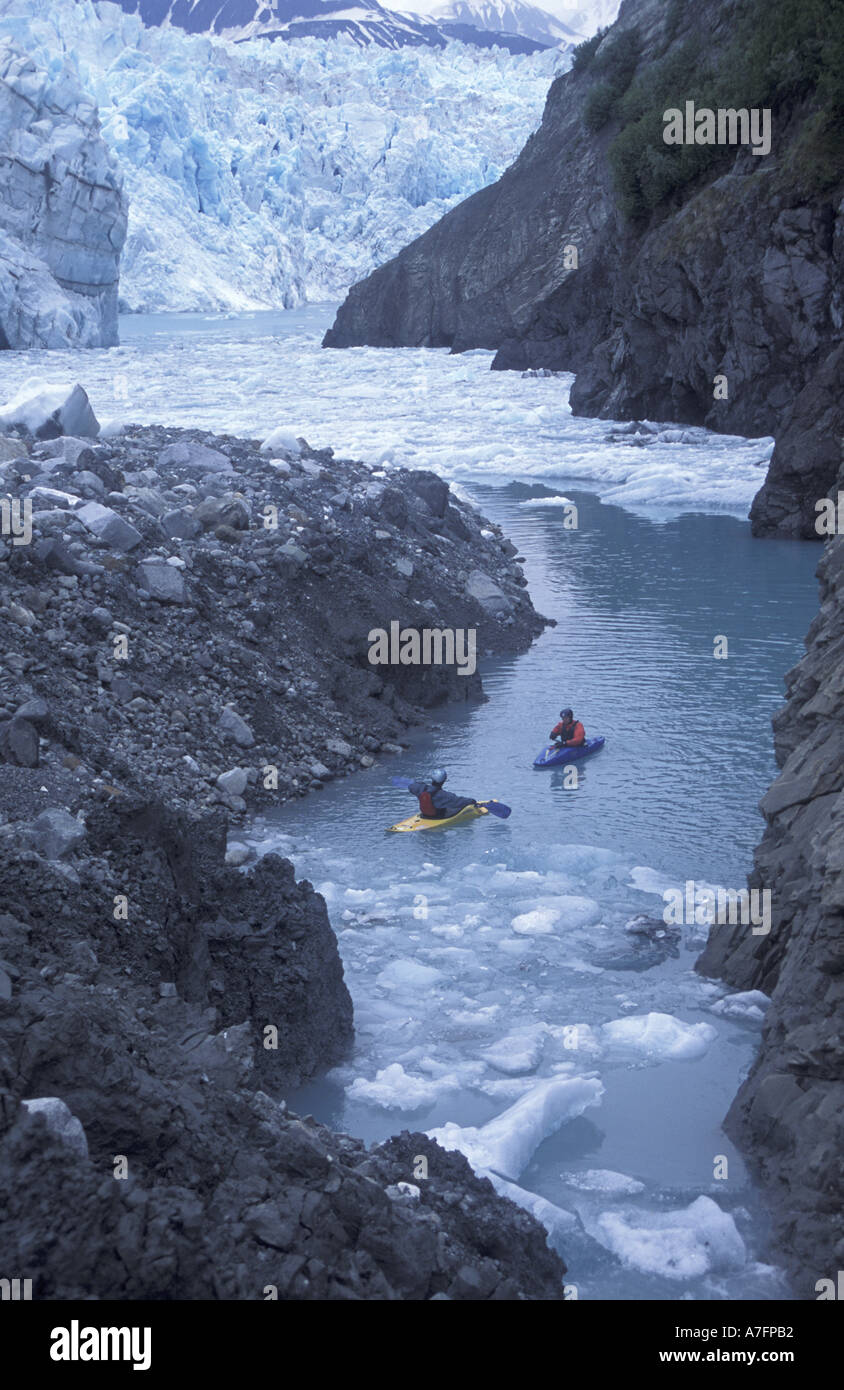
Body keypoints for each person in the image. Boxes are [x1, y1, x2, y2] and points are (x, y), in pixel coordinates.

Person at [408, 769, 479, 820]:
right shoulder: (445, 795)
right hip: (437, 817)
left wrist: (422, 784)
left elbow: (411, 786)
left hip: (424, 815)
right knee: (460, 806)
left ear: (432, 778)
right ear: (444, 780)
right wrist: (473, 801)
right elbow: (461, 801)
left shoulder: (421, 789)